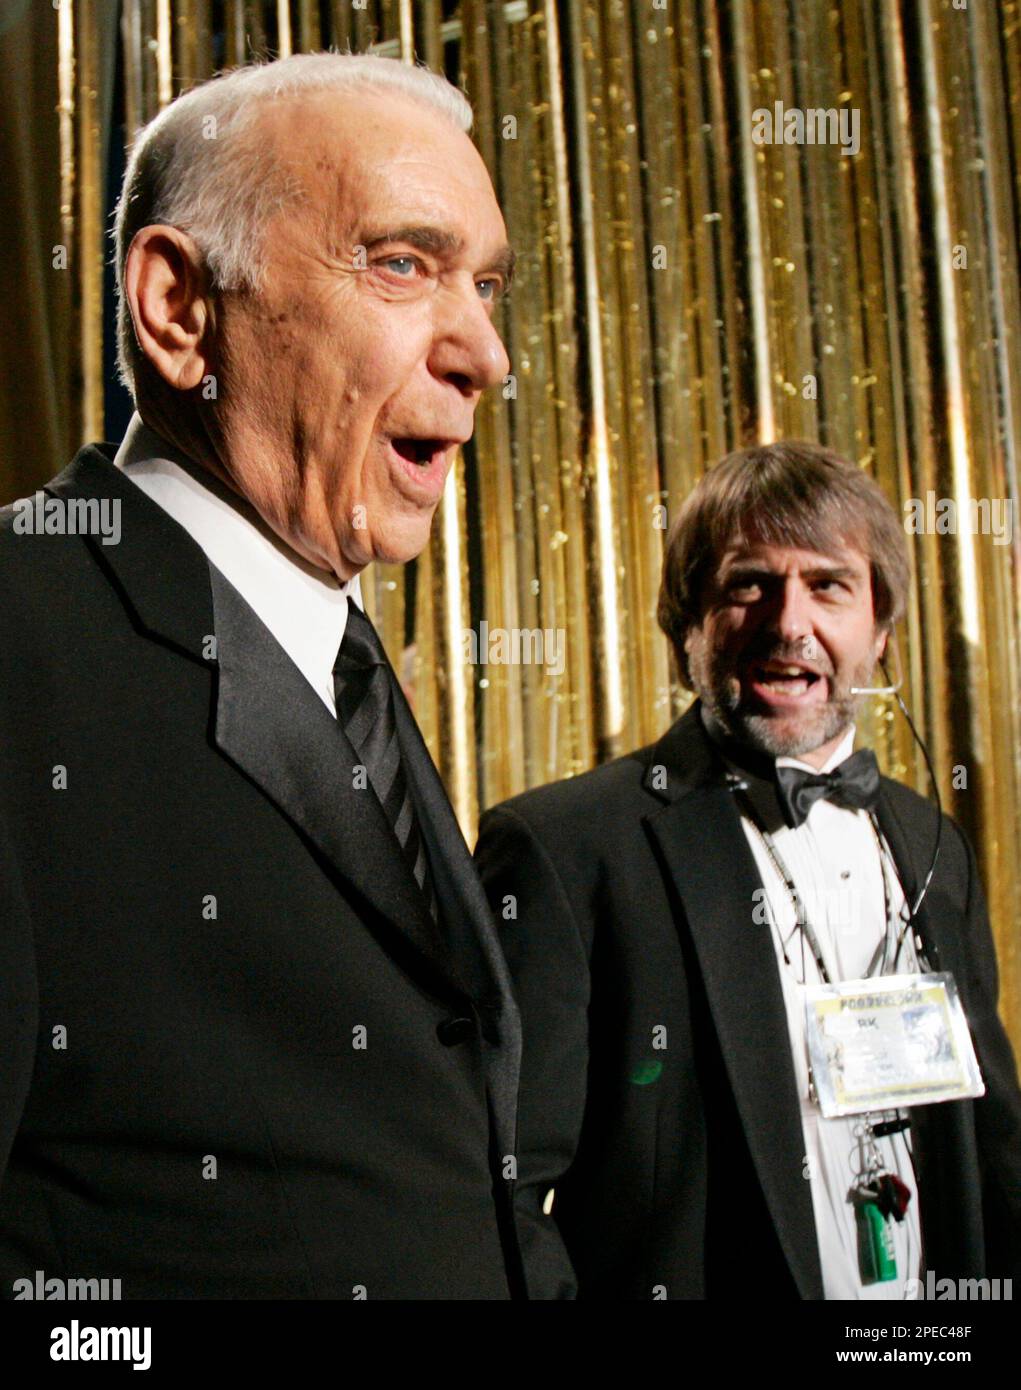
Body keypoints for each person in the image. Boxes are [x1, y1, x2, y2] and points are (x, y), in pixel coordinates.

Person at [0, 52, 523, 1299]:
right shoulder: (23, 627)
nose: (486, 353)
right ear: (180, 309)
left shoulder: (333, 645)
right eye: (403, 263)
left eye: (487, 285)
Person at [475, 440, 1021, 1300]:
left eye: (828, 584)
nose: (787, 622)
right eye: (748, 583)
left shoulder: (933, 847)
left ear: (879, 632)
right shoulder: (566, 848)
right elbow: (491, 1188)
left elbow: (989, 1150)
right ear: (685, 625)